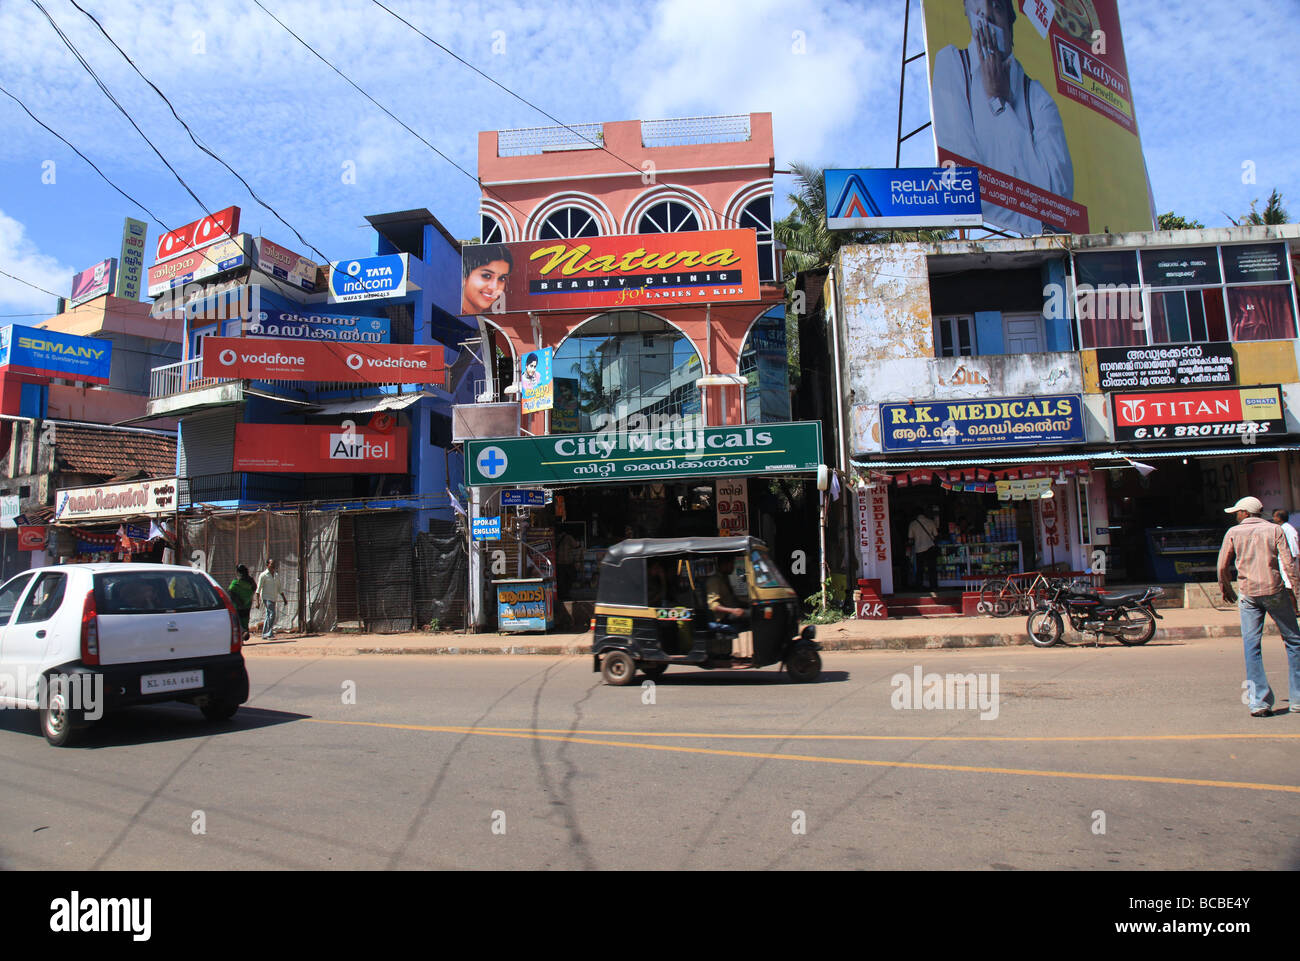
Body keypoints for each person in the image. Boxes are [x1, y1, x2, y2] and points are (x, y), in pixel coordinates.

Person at [930, 0, 1074, 235]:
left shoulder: (1036, 97)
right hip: (977, 237)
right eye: (978, 9)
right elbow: (964, 188)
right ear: (967, 14)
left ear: (1010, 17)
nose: (986, 16)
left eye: (996, 6)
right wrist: (1027, 198)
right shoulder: (953, 65)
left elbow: (1057, 203)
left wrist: (1000, 103)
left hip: (1039, 247)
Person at [1217, 496, 1300, 717]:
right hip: (1274, 592)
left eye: (1238, 512)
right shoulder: (1275, 530)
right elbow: (1289, 564)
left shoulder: (1233, 533)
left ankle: (1259, 702)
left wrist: (1226, 588)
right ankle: (1298, 698)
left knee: (1252, 646)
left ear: (1245, 513)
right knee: (1293, 641)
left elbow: (1222, 566)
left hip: (1248, 595)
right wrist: (1297, 595)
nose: (1237, 516)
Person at [460, 244, 512, 315]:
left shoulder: (497, 322)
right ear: (464, 276)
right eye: (487, 276)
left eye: (501, 278)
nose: (494, 287)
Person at [706, 556, 748, 628]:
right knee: (752, 615)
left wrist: (746, 604)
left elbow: (731, 599)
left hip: (731, 611)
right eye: (731, 564)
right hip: (724, 617)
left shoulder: (724, 578)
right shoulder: (714, 580)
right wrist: (733, 611)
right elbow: (713, 605)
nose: (733, 567)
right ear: (724, 565)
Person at [908, 506, 941, 592]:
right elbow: (936, 535)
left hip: (919, 549)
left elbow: (910, 538)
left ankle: (919, 587)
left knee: (920, 569)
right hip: (930, 547)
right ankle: (933, 586)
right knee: (932, 569)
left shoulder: (912, 524)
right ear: (924, 513)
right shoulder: (930, 522)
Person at [255, 559, 289, 639]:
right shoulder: (263, 575)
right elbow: (258, 589)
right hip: (266, 598)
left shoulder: (276, 575)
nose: (273, 566)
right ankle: (268, 633)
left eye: (274, 564)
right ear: (267, 565)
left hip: (273, 598)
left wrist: (284, 598)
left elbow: (279, 588)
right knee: (272, 614)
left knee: (268, 615)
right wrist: (257, 602)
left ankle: (264, 633)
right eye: (271, 564)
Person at [228, 564, 256, 641]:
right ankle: (245, 632)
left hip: (238, 605)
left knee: (238, 621)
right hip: (247, 604)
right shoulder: (250, 580)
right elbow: (254, 588)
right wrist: (248, 596)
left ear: (238, 571)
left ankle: (242, 634)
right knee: (245, 620)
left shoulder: (237, 581)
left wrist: (238, 602)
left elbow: (230, 591)